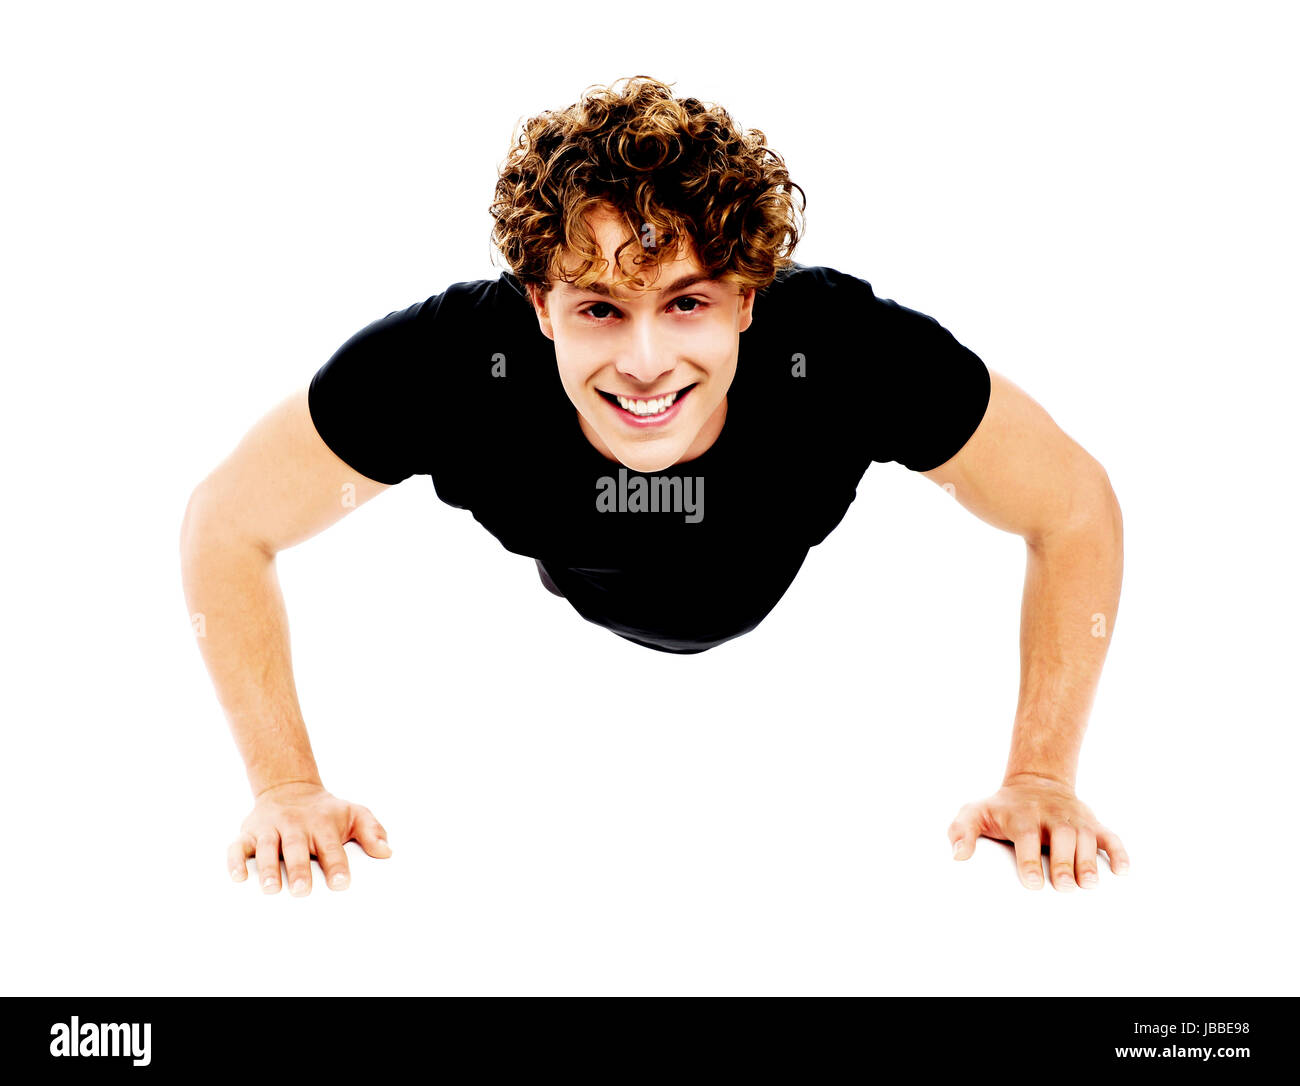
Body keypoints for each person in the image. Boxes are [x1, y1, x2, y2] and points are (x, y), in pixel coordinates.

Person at [180, 75, 1129, 898]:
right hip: (579, 572)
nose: (645, 363)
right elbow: (226, 526)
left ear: (750, 298)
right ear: (540, 305)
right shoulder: (449, 364)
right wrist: (285, 787)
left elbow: (1073, 506)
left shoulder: (844, 350)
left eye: (687, 302)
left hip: (767, 559)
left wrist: (1041, 774)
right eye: (599, 307)